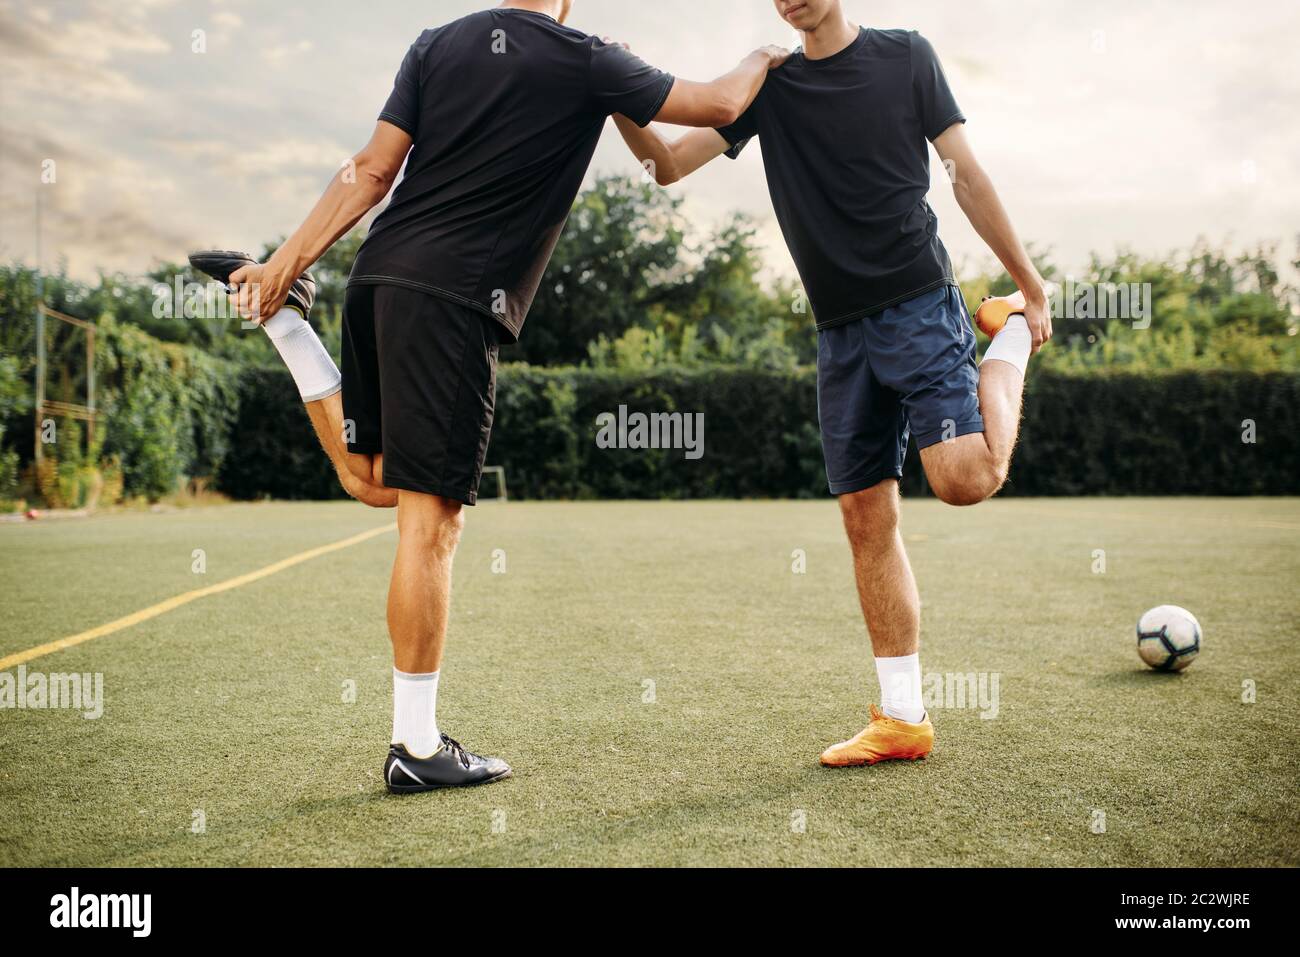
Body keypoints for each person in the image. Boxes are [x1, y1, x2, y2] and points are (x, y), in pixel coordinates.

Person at [193, 0, 788, 792]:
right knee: (432, 525)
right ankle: (416, 745)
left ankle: (291, 328)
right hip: (451, 299)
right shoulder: (583, 54)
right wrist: (764, 57)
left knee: (371, 481)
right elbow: (716, 106)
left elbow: (370, 172)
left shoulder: (438, 43)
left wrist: (283, 261)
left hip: (378, 280)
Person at [613, 0, 1052, 767]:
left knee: (964, 478)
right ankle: (903, 718)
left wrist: (1029, 285)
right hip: (838, 332)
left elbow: (967, 176)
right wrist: (617, 91)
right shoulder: (768, 90)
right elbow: (664, 167)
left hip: (919, 303)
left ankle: (1008, 335)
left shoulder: (906, 57)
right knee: (863, 518)